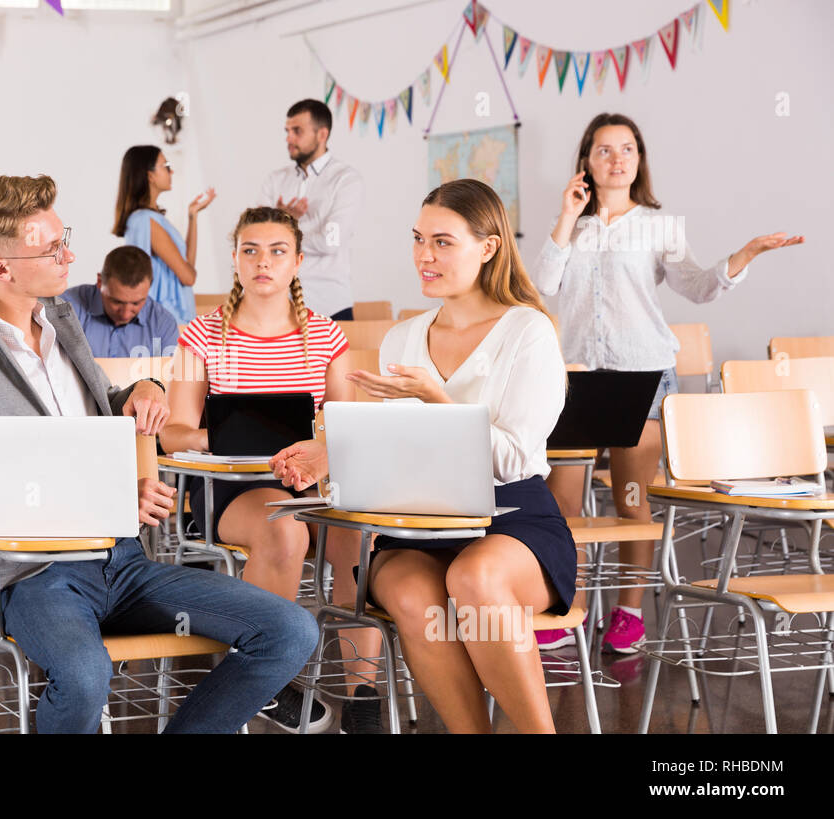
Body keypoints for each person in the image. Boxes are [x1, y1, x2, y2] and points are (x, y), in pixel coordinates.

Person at [0, 174, 317, 734]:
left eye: (63, 236)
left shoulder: (61, 318)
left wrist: (146, 386)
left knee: (290, 632)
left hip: (121, 561)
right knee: (82, 674)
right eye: (52, 248)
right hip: (32, 575)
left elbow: (105, 403)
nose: (70, 254)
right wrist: (106, 492)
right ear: (0, 268)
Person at [273, 179, 575, 733]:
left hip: (508, 516)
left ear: (488, 248)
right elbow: (396, 447)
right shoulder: (403, 338)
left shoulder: (528, 333)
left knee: (475, 579)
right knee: (412, 595)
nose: (423, 256)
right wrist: (331, 453)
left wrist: (440, 401)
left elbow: (511, 461)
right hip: (417, 523)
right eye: (418, 239)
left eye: (442, 242)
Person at [532, 113, 804, 654]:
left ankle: (629, 611)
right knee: (562, 506)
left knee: (631, 501)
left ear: (639, 158)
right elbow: (543, 284)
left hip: (644, 379)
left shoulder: (661, 227)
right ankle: (568, 606)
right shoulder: (571, 225)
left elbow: (699, 287)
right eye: (603, 149)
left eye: (626, 148)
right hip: (578, 381)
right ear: (586, 159)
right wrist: (566, 217)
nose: (616, 158)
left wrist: (745, 254)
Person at [159, 205, 359, 733]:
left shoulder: (326, 337)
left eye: (276, 251)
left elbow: (346, 427)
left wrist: (313, 451)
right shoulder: (200, 334)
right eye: (250, 250)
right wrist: (232, 435)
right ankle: (265, 674)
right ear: (235, 260)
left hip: (308, 481)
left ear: (296, 262)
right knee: (286, 528)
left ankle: (366, 698)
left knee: (359, 538)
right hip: (229, 490)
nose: (262, 261)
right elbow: (174, 431)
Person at [258, 99, 365, 320]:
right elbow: (258, 239)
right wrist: (284, 227)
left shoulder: (346, 180)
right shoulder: (275, 180)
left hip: (331, 306)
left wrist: (283, 226)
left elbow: (330, 242)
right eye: (287, 131)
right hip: (277, 307)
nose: (289, 138)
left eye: (297, 131)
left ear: (322, 135)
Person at [112, 145, 215, 324]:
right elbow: (188, 277)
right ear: (149, 175)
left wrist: (193, 215)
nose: (171, 171)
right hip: (169, 318)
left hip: (170, 317)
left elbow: (187, 266)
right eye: (166, 165)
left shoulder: (148, 219)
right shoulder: (146, 220)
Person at [62, 245, 180, 359]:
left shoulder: (163, 324)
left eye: (136, 303)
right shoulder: (66, 309)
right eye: (117, 302)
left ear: (149, 287)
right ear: (100, 282)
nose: (125, 314)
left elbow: (168, 377)